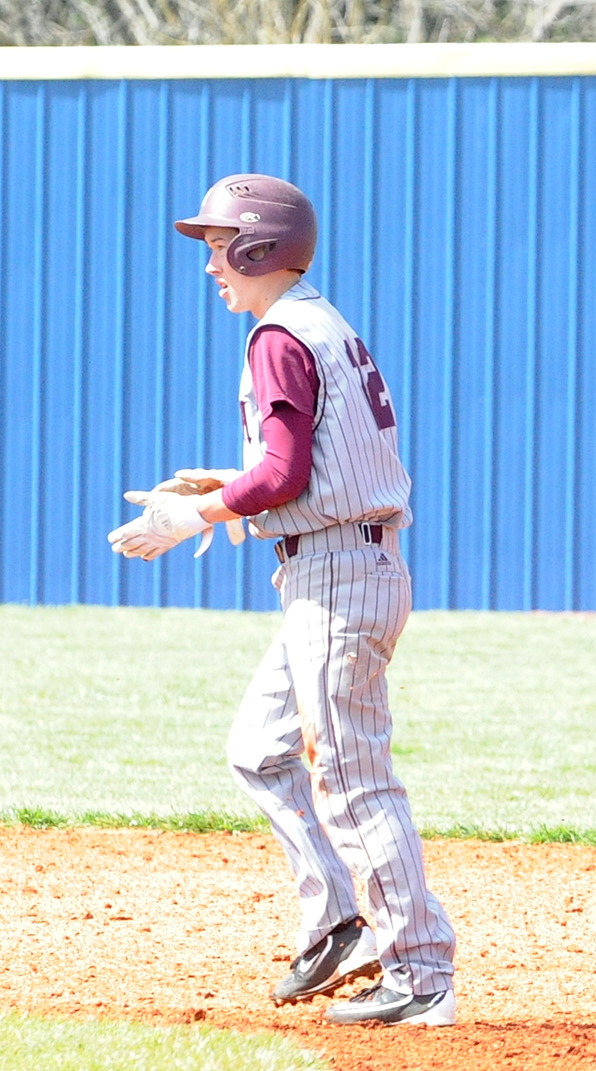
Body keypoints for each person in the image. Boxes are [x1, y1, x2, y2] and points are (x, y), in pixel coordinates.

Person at [108, 173, 457, 1027]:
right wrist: (229, 488)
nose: (210, 265)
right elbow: (299, 466)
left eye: (219, 245)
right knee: (259, 751)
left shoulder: (278, 334)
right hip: (338, 564)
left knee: (353, 778)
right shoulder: (316, 320)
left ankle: (420, 972)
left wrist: (196, 515)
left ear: (261, 245)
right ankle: (338, 923)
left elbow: (285, 474)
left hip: (340, 574)